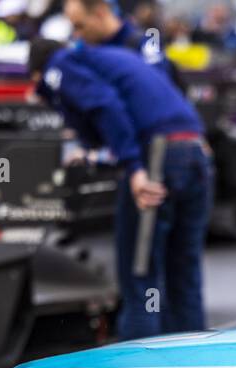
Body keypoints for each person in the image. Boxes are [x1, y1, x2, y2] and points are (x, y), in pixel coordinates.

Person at [28, 34, 211, 339]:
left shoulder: (64, 65)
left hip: (156, 160)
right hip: (195, 151)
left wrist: (135, 169)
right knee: (185, 275)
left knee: (141, 280)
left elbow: (105, 106)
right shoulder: (127, 55)